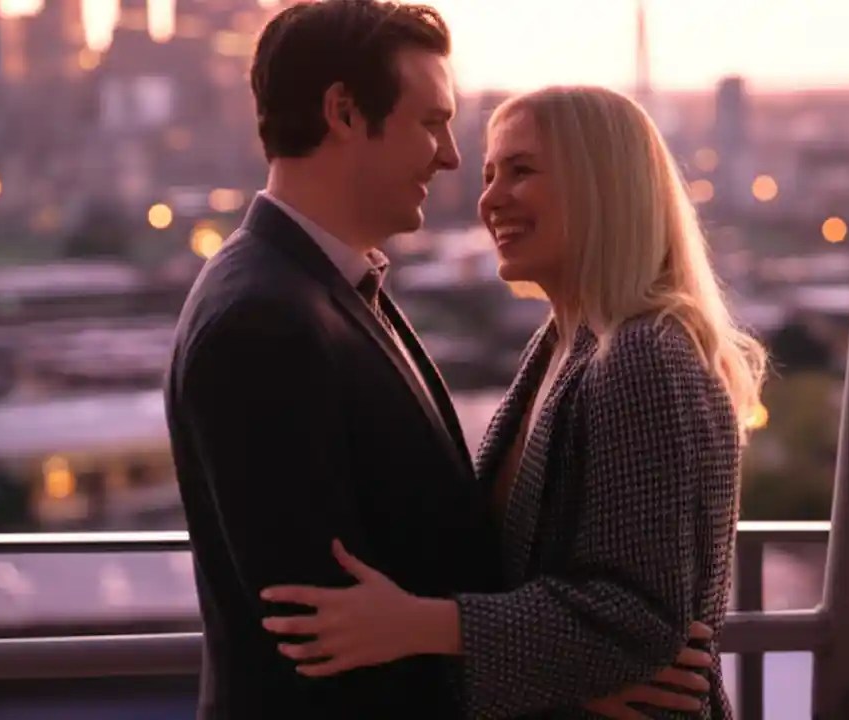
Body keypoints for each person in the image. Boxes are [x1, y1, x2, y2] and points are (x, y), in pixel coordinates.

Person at [164, 2, 713, 718]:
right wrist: (578, 677)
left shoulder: (328, 292)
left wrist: (567, 659)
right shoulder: (266, 320)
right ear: (345, 112)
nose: (454, 162)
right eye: (431, 123)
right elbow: (329, 641)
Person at [260, 85, 768, 719]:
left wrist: (418, 625)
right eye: (489, 173)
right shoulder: (561, 341)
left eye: (521, 171)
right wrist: (574, 674)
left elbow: (637, 621)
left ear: (602, 187)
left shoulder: (645, 357)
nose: (489, 199)